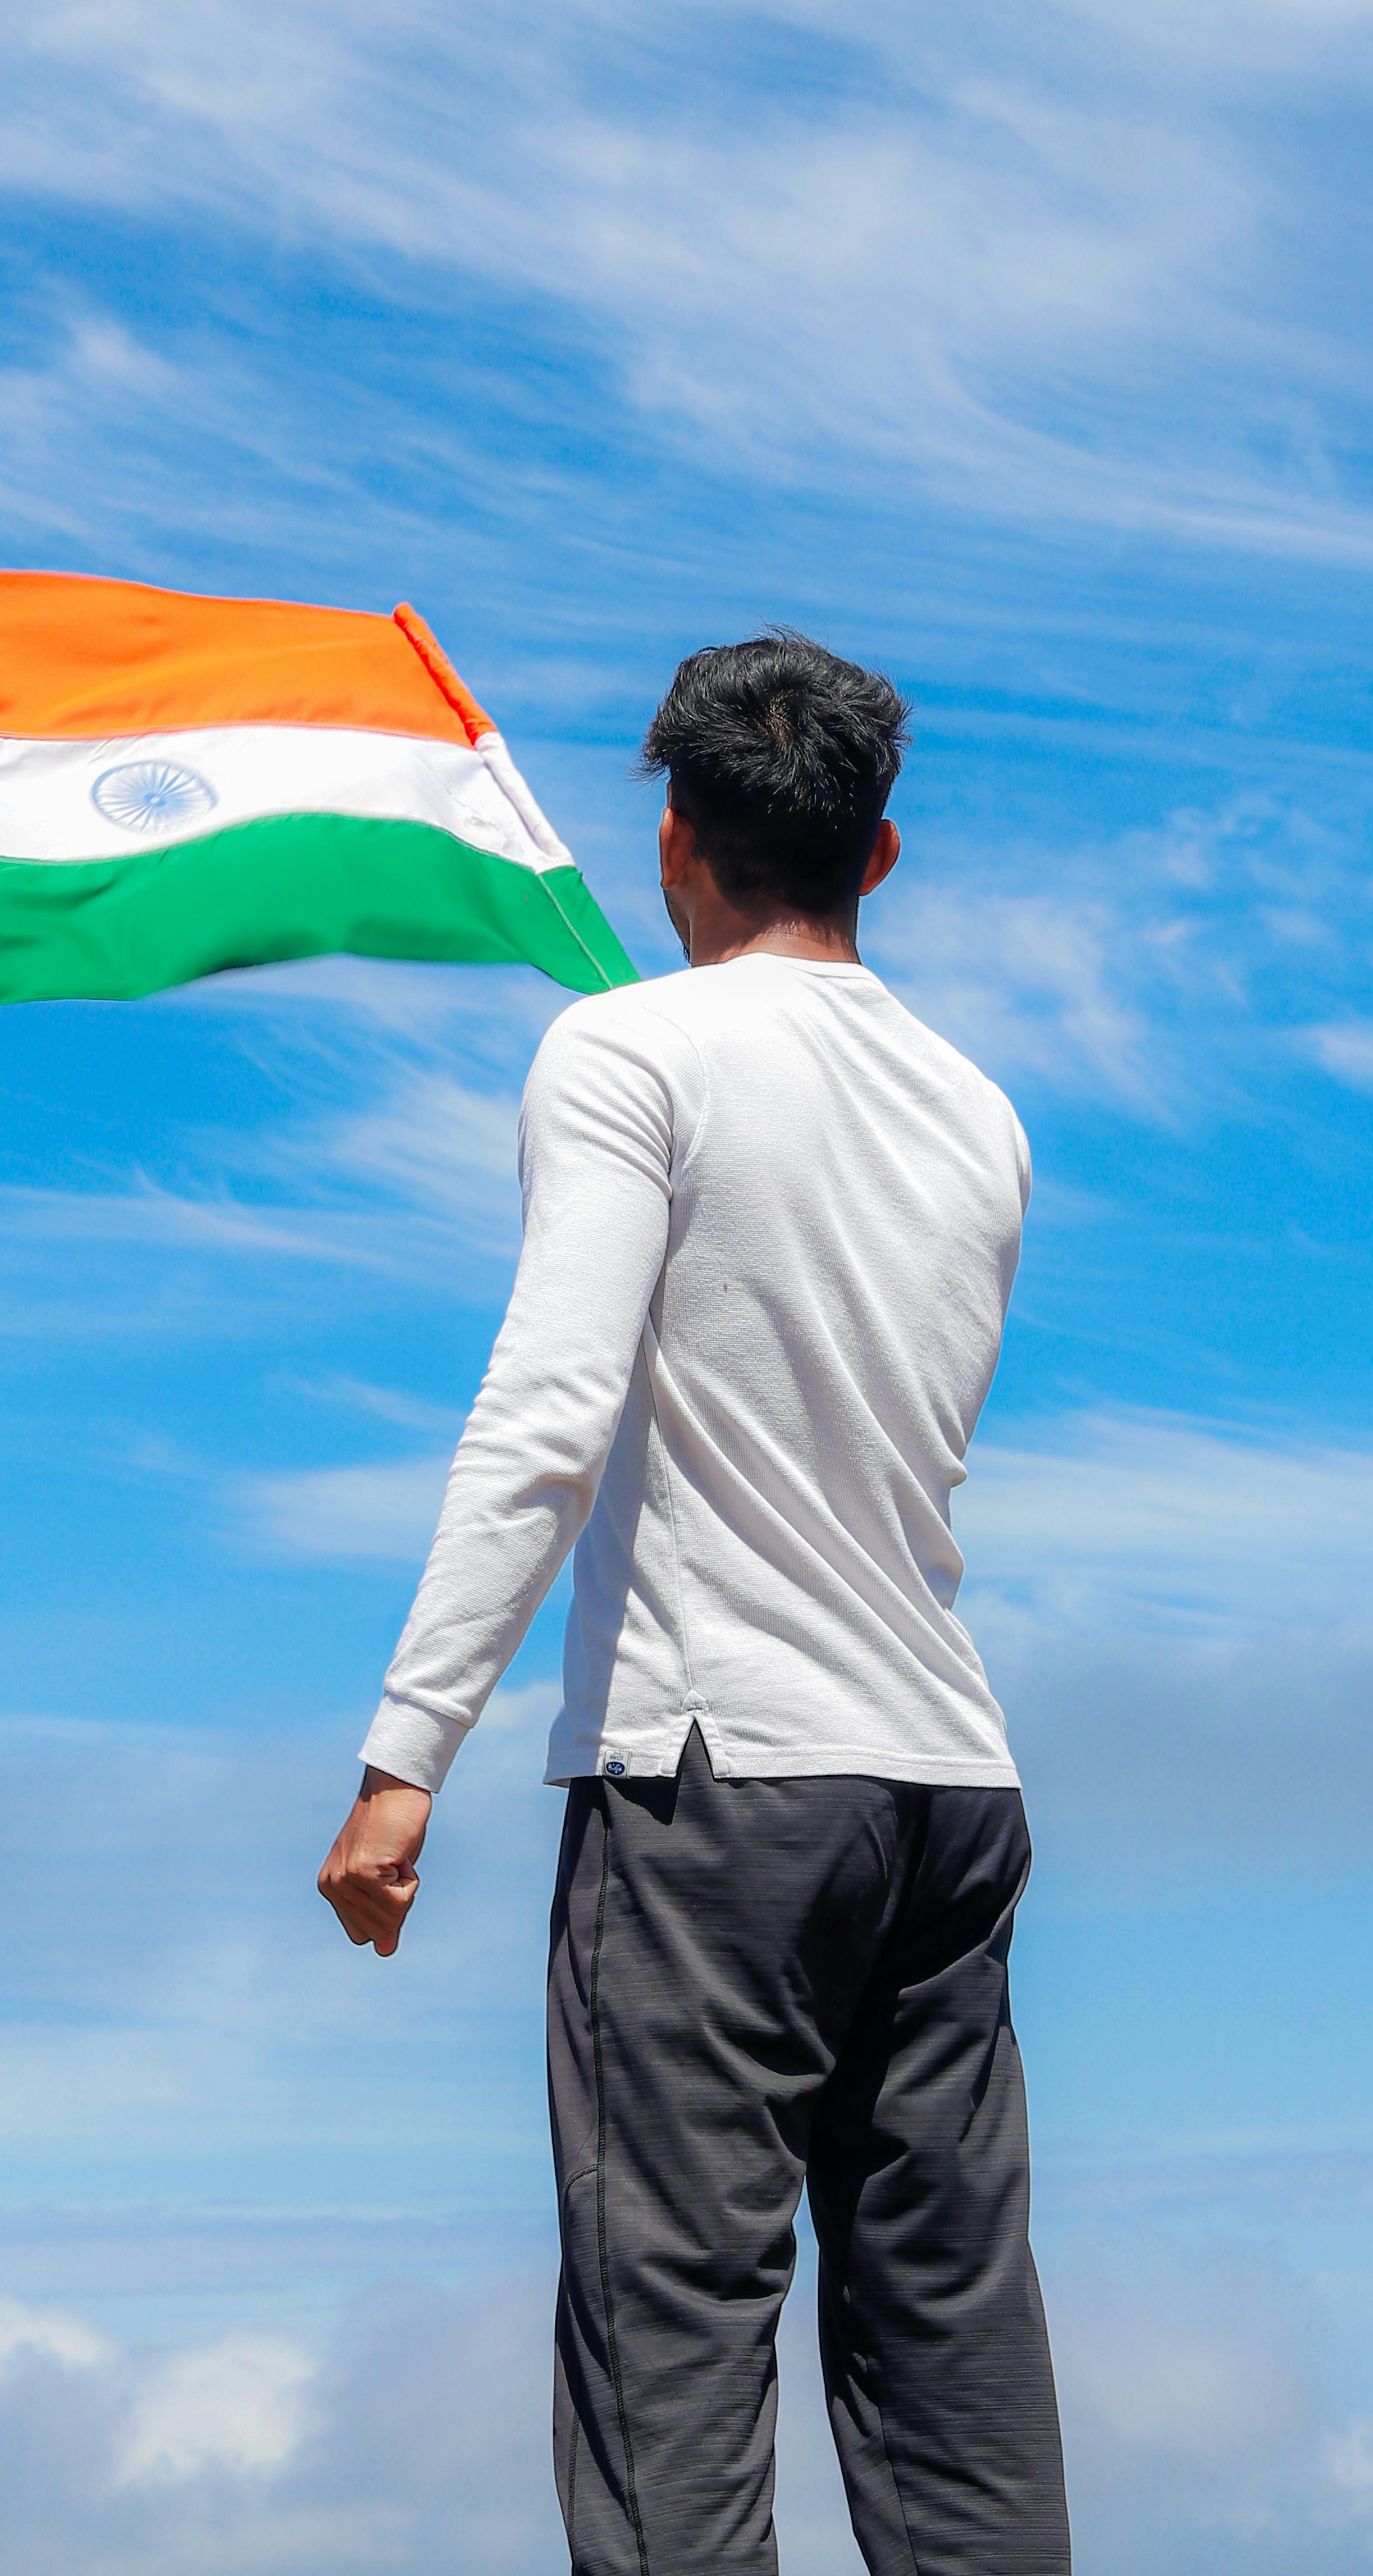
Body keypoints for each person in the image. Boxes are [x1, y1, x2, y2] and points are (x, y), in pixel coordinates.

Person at [317, 631, 1068, 2576]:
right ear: (879, 856)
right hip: (945, 1781)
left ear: (674, 838)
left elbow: (549, 1417)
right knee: (950, 2365)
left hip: (713, 1782)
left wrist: (408, 1756)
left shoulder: (625, 1051)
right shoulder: (980, 1113)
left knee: (673, 2365)